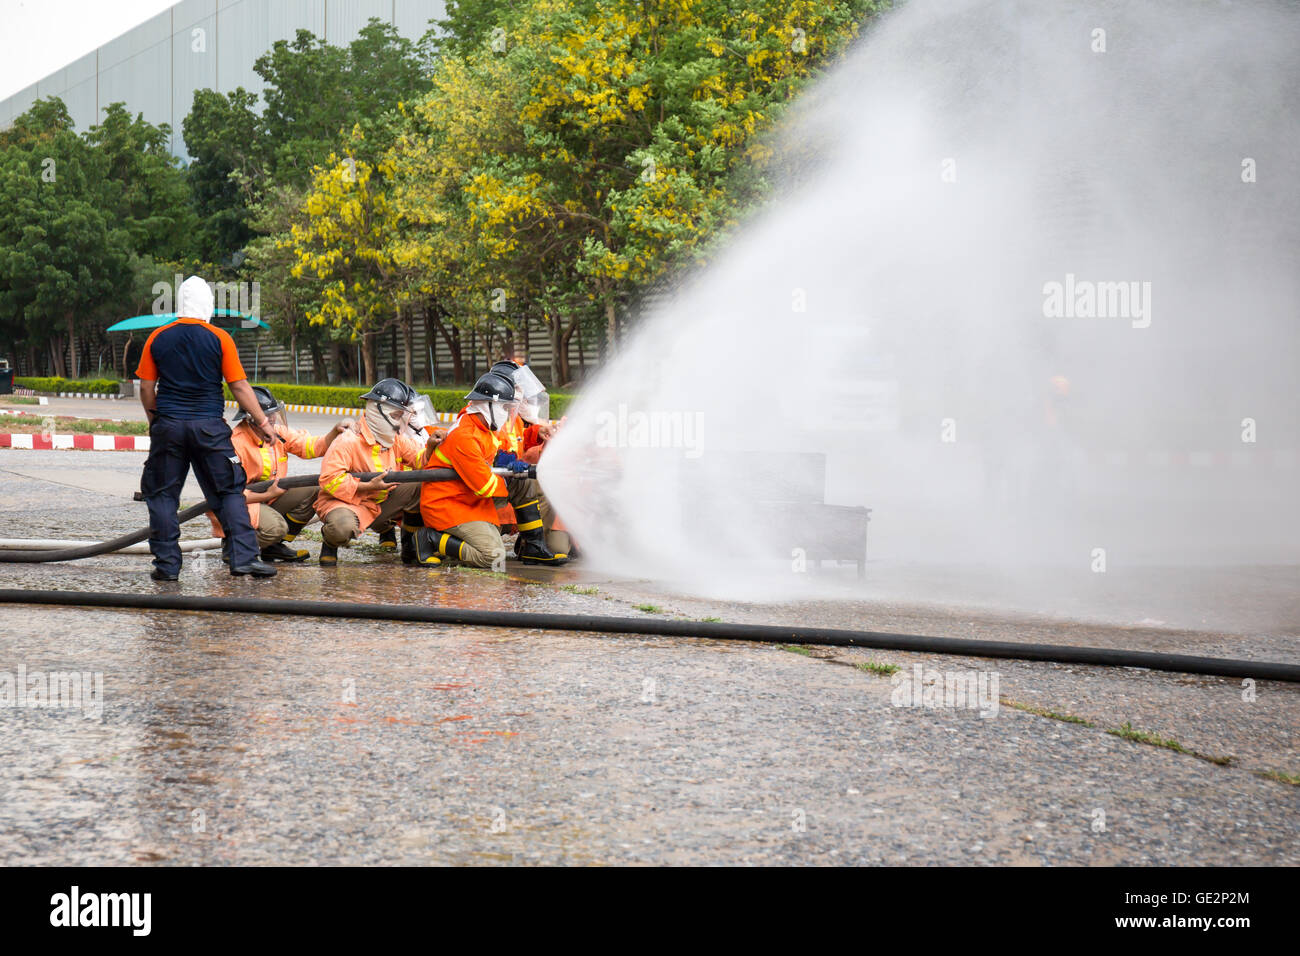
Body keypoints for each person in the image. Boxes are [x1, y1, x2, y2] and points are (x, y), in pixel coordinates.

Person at [135, 275, 278, 580]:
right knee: (229, 491)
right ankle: (244, 559)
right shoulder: (220, 338)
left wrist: (156, 423)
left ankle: (167, 567)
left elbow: (147, 389)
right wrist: (263, 422)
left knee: (162, 495)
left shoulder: (157, 337)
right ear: (208, 305)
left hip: (169, 426)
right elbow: (239, 387)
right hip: (210, 429)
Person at [415, 372, 567, 567]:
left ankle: (533, 547)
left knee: (524, 483)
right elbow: (485, 486)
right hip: (449, 504)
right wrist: (510, 475)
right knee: (493, 557)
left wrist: (508, 464)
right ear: (487, 405)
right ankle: (430, 538)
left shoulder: (483, 427)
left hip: (467, 495)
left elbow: (490, 458)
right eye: (504, 407)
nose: (508, 412)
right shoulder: (465, 437)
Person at [208, 386, 356, 563]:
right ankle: (235, 547)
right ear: (250, 418)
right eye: (266, 415)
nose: (271, 419)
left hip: (267, 497)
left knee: (313, 488)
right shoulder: (236, 443)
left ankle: (273, 547)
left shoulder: (277, 433)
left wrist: (335, 430)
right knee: (275, 528)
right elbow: (230, 493)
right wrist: (267, 494)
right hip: (241, 502)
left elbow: (310, 446)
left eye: (273, 414)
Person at [314, 378, 438, 567]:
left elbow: (418, 460)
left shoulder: (395, 439)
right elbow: (329, 480)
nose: (399, 423)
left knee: (422, 485)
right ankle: (330, 542)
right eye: (396, 416)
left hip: (379, 501)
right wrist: (366, 486)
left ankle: (410, 547)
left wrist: (430, 446)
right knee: (341, 530)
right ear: (378, 411)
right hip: (346, 503)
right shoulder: (348, 441)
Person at [488, 361, 572, 562]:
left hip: (507, 486)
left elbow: (519, 438)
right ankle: (529, 542)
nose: (521, 395)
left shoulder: (511, 418)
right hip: (489, 490)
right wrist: (502, 458)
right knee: (489, 552)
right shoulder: (489, 415)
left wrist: (537, 431)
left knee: (535, 484)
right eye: (517, 388)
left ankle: (532, 544)